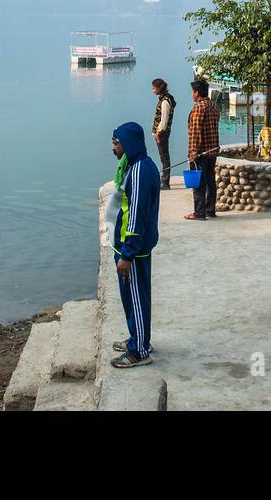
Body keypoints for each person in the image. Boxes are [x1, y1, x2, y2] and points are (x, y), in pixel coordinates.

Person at [109, 121, 160, 368]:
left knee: (136, 298)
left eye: (116, 143)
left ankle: (139, 351)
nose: (113, 148)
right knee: (134, 298)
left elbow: (136, 215)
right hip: (129, 246)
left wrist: (127, 254)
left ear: (129, 144)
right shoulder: (136, 166)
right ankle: (138, 338)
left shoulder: (140, 172)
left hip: (134, 250)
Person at [185, 78, 220, 221]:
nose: (192, 95)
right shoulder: (213, 105)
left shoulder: (199, 107)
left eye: (192, 92)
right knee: (210, 181)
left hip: (202, 152)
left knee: (198, 183)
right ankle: (210, 209)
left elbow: (196, 132)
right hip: (212, 150)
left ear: (197, 92)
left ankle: (199, 212)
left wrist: (193, 152)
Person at [151, 78, 175, 189]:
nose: (152, 90)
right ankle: (164, 178)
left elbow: (164, 120)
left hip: (162, 133)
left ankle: (165, 181)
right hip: (163, 132)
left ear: (159, 88)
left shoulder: (165, 101)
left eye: (153, 88)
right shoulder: (166, 99)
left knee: (164, 157)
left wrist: (158, 133)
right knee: (164, 156)